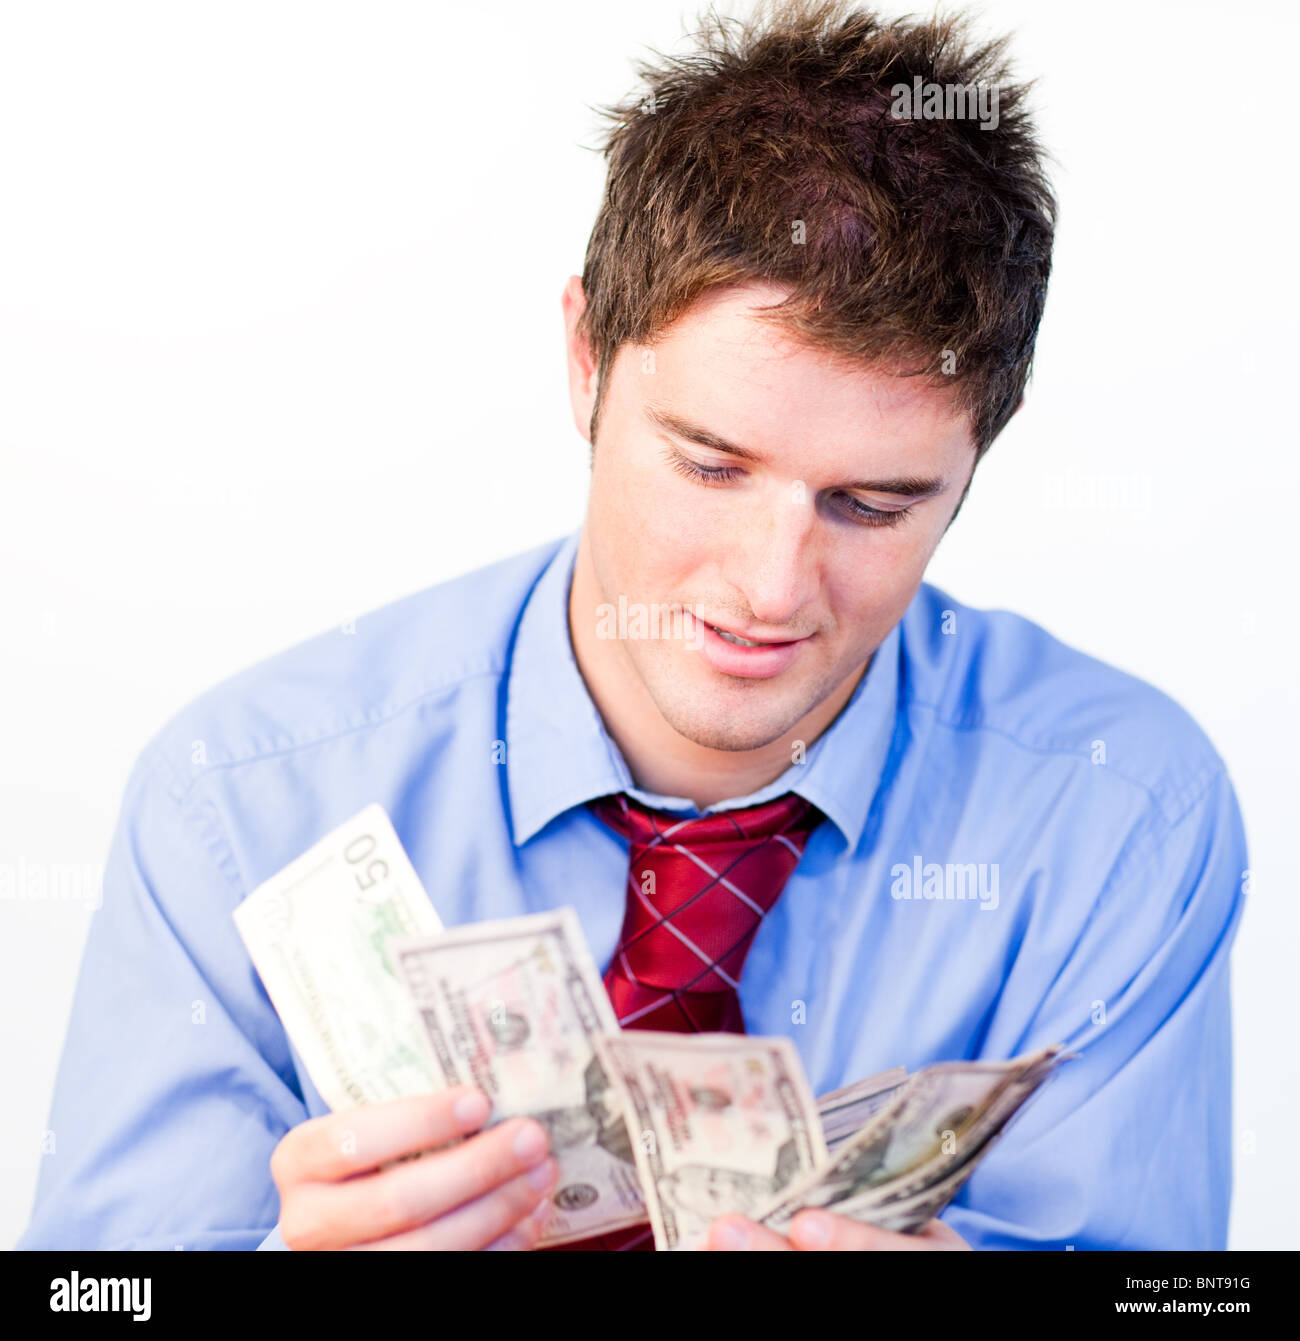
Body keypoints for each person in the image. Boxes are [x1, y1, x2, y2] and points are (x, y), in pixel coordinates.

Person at [17, 0, 1246, 1253]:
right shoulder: (239, 804)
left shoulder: (1122, 819)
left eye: (873, 504)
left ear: (982, 451)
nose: (772, 587)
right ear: (585, 359)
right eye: (710, 467)